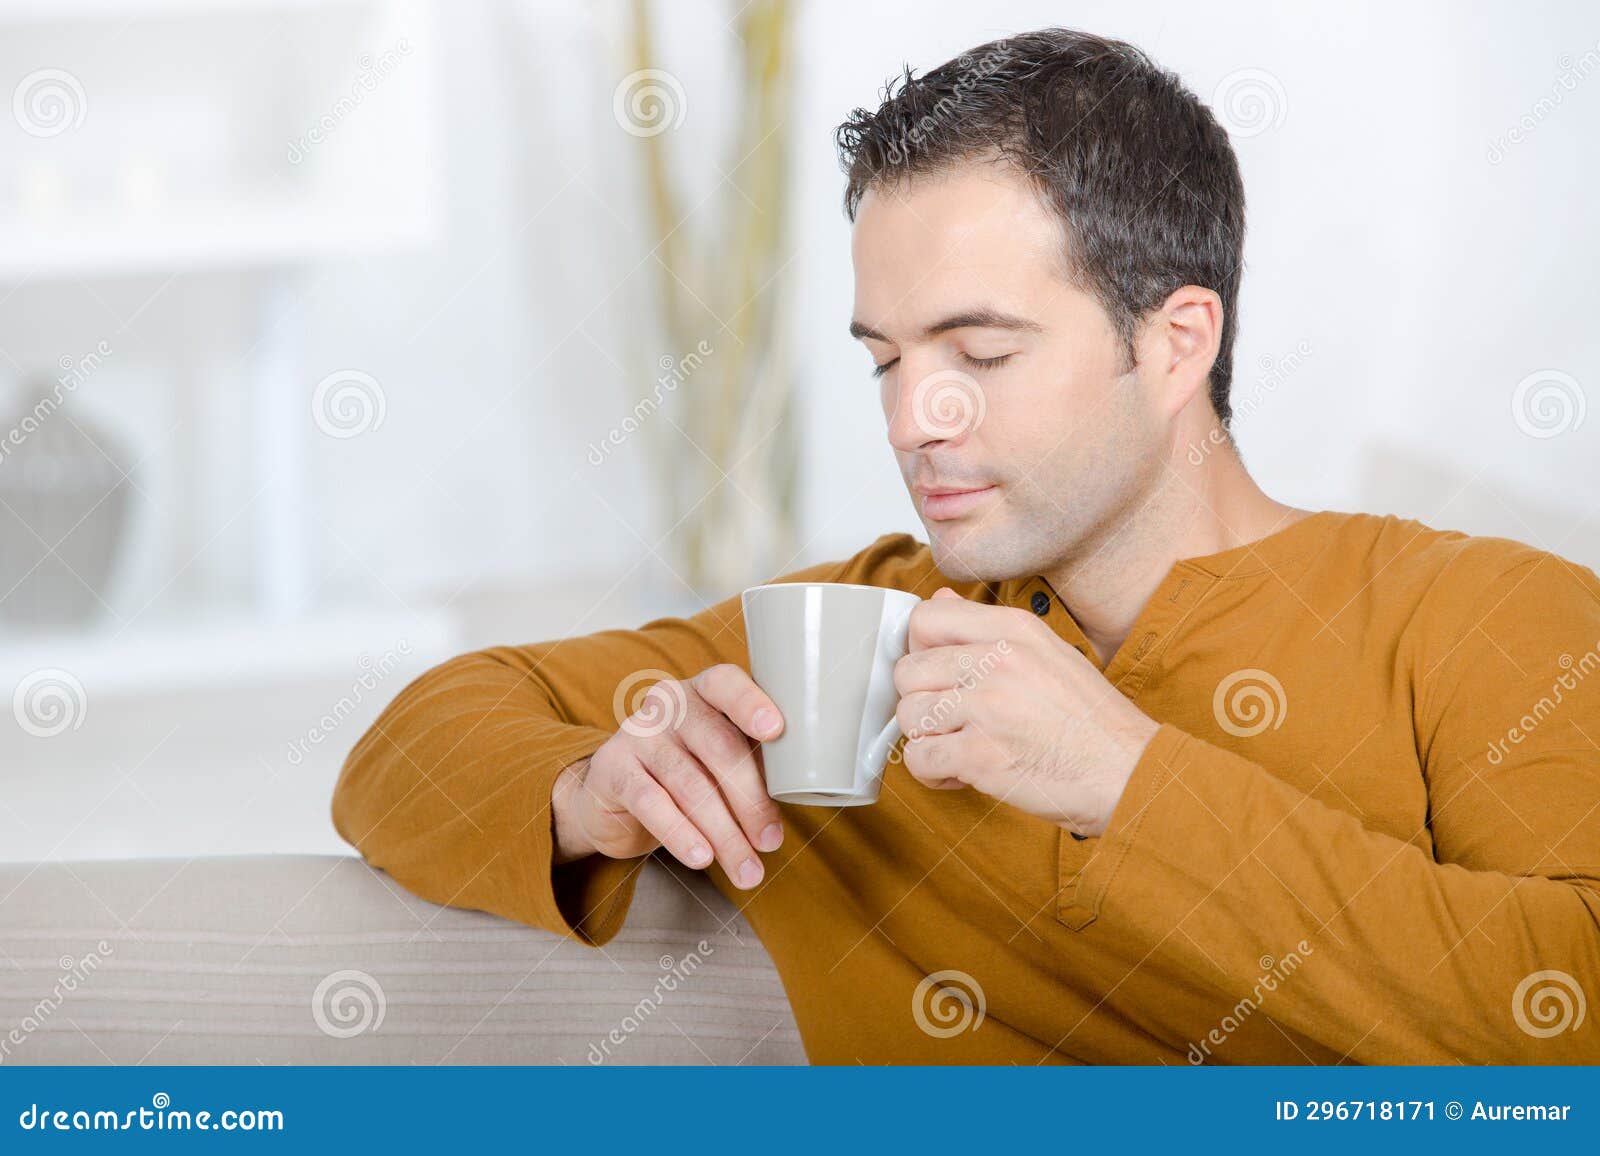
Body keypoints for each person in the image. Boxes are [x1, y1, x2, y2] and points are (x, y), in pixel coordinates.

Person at [332, 27, 1600, 1063]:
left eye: (980, 353)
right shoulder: (854, 641)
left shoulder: (1487, 616)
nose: (910, 419)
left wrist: (1129, 780)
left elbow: (1573, 1004)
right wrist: (590, 793)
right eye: (885, 359)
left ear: (1176, 343)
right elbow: (413, 743)